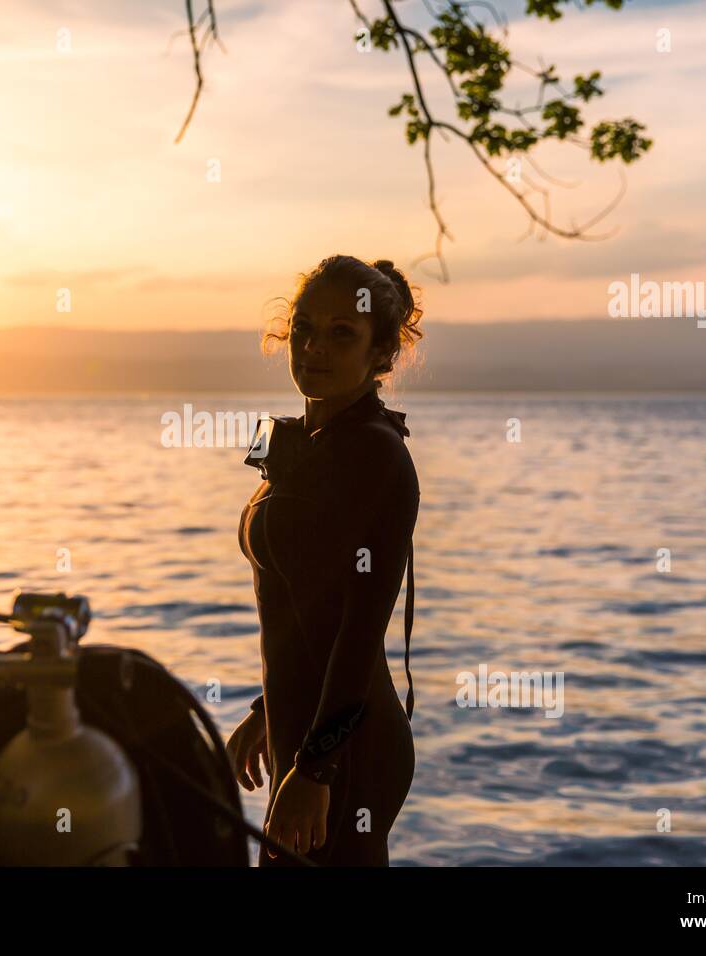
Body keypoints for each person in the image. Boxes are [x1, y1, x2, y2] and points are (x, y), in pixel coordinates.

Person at [230, 254, 423, 866]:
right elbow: (304, 606)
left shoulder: (373, 454)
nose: (314, 346)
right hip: (302, 730)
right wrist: (267, 710)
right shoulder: (308, 442)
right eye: (305, 326)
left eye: (343, 333)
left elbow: (359, 629)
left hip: (346, 746)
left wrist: (316, 768)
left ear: (381, 354)